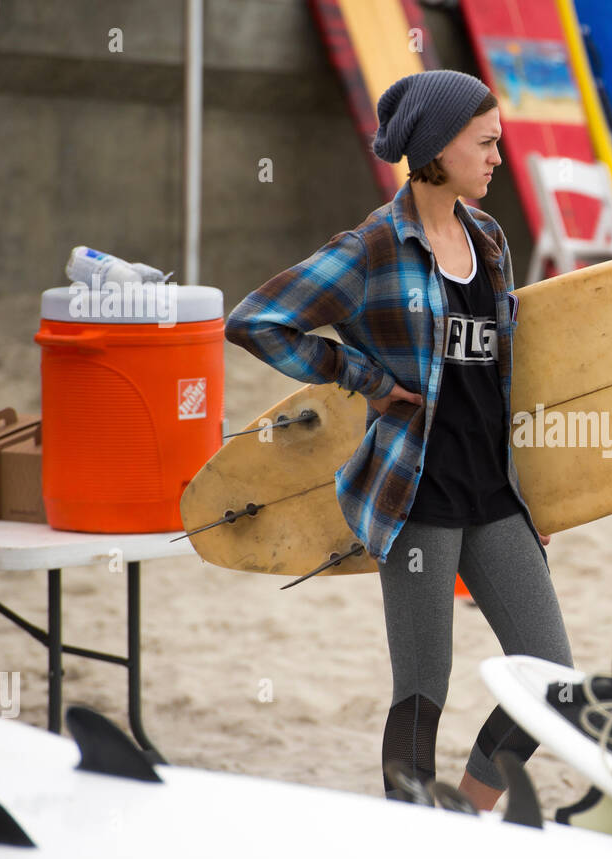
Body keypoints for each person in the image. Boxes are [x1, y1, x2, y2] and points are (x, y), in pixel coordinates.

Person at [224, 70, 574, 811]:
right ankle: (412, 841)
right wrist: (360, 376)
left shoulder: (490, 238)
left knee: (553, 681)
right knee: (423, 690)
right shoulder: (374, 247)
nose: (497, 159)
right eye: (485, 143)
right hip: (415, 493)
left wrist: (530, 487)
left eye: (497, 143)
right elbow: (256, 320)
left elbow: (499, 380)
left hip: (493, 492)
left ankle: (462, 818)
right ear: (437, 148)